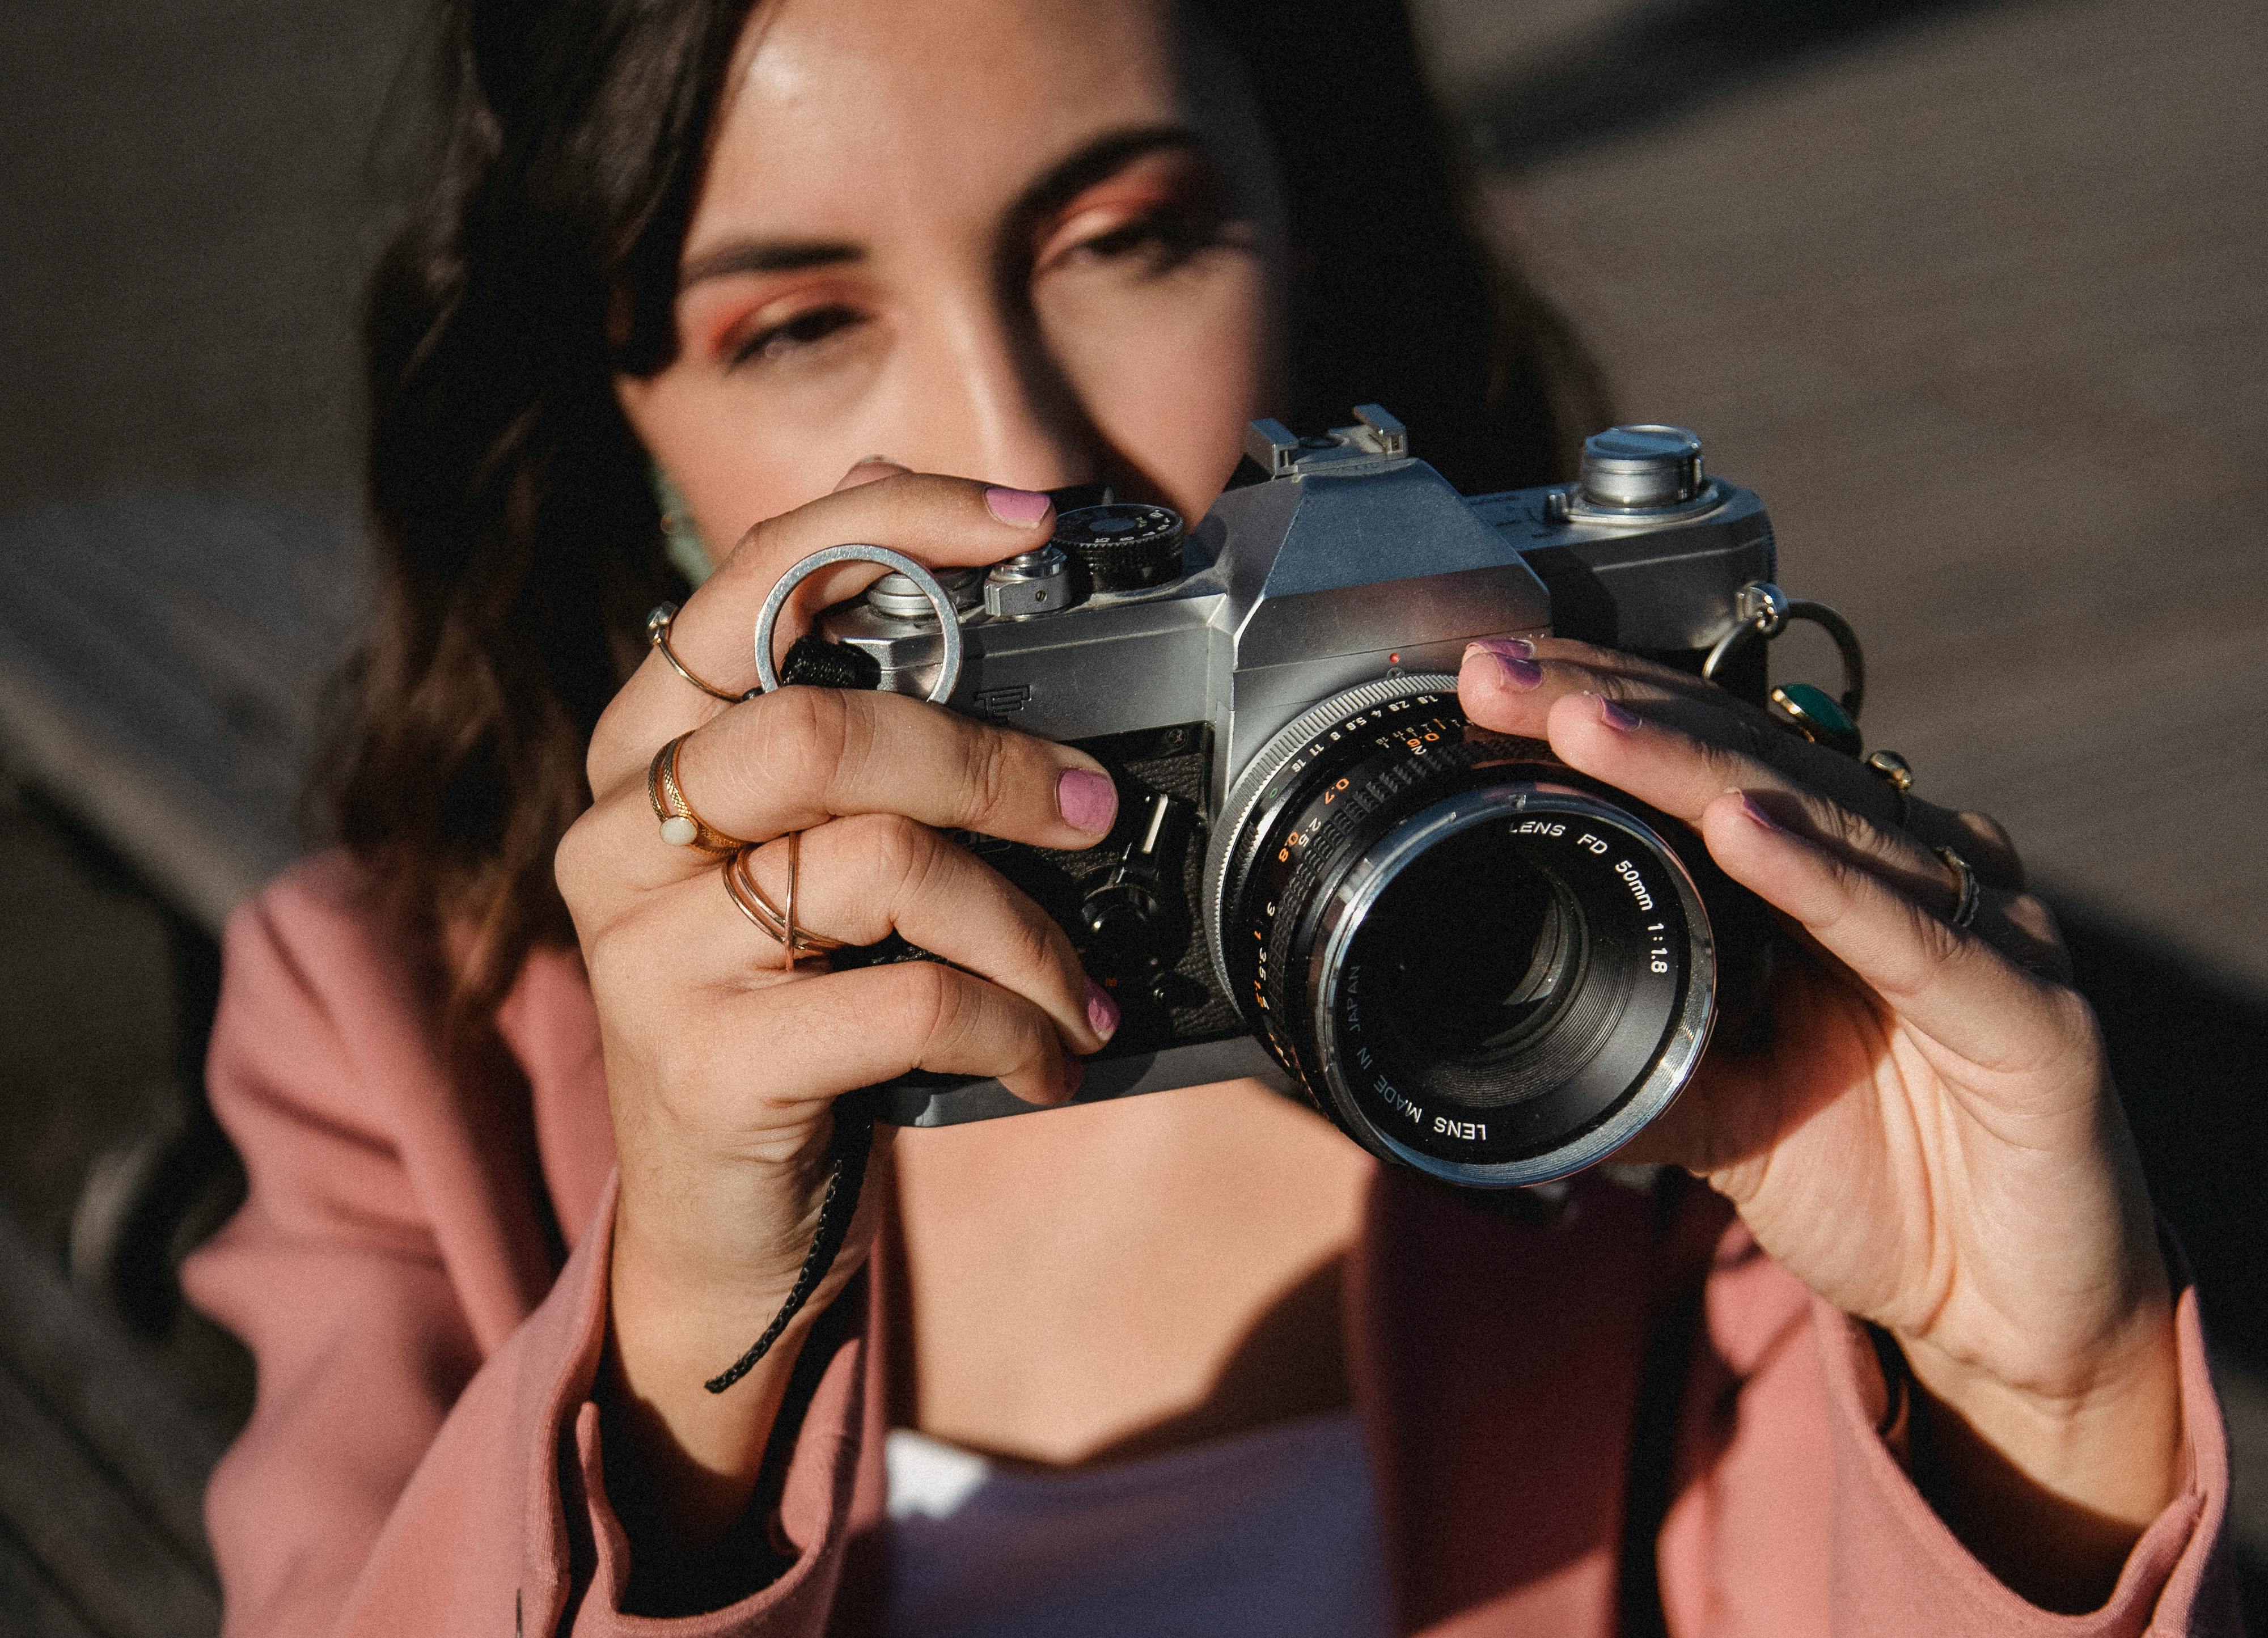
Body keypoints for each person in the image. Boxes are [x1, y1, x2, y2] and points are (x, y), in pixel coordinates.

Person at [179, 0, 2241, 1632]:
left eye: (1129, 238)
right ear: (611, 423)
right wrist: (676, 1372)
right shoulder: (395, 1042)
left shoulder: (1625, 974)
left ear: (1313, 229)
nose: (1020, 452)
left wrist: (2033, 1415)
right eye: (798, 323)